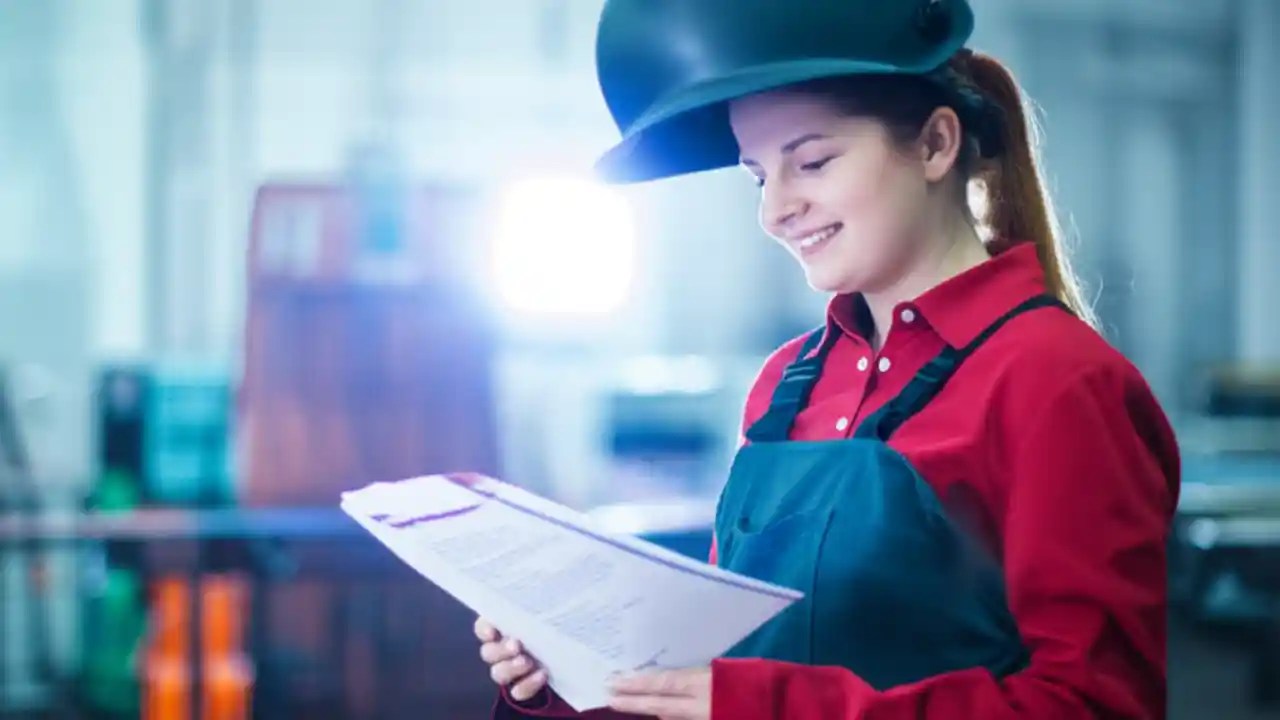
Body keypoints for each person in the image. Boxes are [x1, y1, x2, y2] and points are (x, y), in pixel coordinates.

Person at [478, 0, 1181, 718]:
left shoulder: (1058, 382)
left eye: (811, 161)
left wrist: (764, 703)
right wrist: (575, 665)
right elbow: (725, 674)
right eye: (758, 176)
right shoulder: (787, 383)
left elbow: (1094, 704)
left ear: (936, 145)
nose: (774, 211)